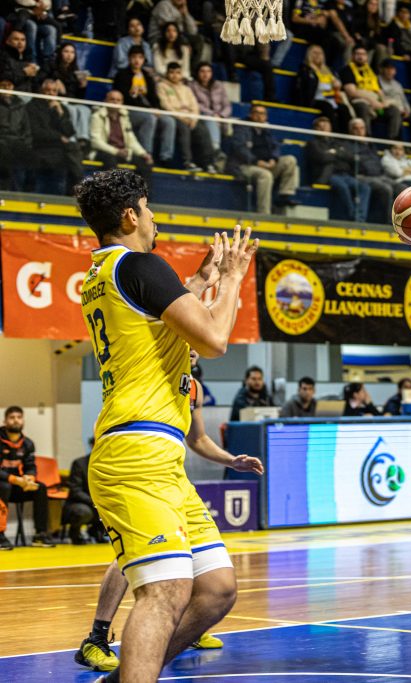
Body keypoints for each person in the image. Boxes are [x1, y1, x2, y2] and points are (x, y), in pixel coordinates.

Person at [74, 169, 257, 682]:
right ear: (129, 215)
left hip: (158, 456)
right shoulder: (141, 265)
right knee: (167, 590)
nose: (154, 218)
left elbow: (157, 313)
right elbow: (214, 340)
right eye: (148, 208)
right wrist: (233, 277)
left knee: (216, 589)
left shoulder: (105, 273)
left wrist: (200, 281)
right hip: (136, 451)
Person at [74, 357, 265, 673]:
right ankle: (97, 637)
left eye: (195, 350)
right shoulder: (145, 369)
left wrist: (231, 461)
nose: (193, 351)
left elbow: (198, 439)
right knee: (130, 561)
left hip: (172, 476)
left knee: (211, 581)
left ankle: (188, 628)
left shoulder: (193, 389)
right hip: (133, 467)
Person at [0, 406, 58, 549]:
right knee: (4, 487)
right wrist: (14, 479)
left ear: (23, 420)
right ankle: (0, 535)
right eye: (12, 418)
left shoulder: (28, 443)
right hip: (3, 485)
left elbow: (30, 466)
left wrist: (30, 478)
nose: (16, 420)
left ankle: (40, 534)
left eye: (19, 417)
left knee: (40, 488)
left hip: (17, 486)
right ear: (5, 421)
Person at [226, 104, 300, 215]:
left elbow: (276, 146)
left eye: (263, 114)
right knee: (266, 175)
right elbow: (239, 148)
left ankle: (284, 196)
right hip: (245, 165)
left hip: (266, 164)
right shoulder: (242, 127)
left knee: (290, 160)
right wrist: (256, 161)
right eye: (257, 113)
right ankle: (264, 213)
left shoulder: (267, 130)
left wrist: (274, 159)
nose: (260, 116)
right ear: (251, 115)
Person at [113, 45, 175, 162]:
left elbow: (154, 96)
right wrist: (148, 109)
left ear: (143, 59)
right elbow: (124, 98)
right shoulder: (121, 75)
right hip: (129, 111)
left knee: (169, 121)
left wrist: (156, 108)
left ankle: (166, 157)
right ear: (129, 58)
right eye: (134, 57)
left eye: (140, 57)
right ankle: (146, 153)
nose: (137, 60)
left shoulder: (147, 76)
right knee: (149, 118)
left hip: (148, 110)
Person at [307, 116, 370, 222]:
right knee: (342, 187)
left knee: (364, 187)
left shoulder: (337, 142)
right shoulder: (313, 144)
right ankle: (352, 215)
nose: (324, 129)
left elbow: (349, 156)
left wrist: (333, 153)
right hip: (329, 175)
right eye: (321, 127)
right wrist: (338, 154)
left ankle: (360, 217)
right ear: (316, 129)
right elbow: (322, 158)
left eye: (326, 126)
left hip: (345, 174)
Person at [28, 77, 84, 195]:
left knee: (72, 152)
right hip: (40, 145)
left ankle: (76, 187)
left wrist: (61, 114)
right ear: (41, 91)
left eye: (54, 91)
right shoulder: (32, 106)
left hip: (59, 147)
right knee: (65, 158)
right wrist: (59, 137)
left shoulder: (61, 108)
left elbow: (69, 132)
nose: (51, 93)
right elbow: (36, 131)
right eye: (48, 90)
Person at [157, 62, 215, 172]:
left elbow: (195, 106)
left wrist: (193, 118)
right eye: (172, 72)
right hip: (174, 117)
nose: (175, 75)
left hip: (190, 118)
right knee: (184, 129)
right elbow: (165, 105)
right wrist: (182, 118)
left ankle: (208, 164)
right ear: (167, 73)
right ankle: (187, 162)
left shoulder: (186, 88)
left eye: (178, 73)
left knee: (202, 130)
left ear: (181, 74)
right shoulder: (161, 86)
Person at [90, 89, 154, 187]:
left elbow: (131, 140)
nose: (115, 102)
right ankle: (112, 192)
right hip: (104, 151)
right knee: (110, 161)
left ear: (122, 102)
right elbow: (95, 141)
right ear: (105, 101)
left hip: (123, 151)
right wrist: (116, 151)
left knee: (145, 163)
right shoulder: (97, 116)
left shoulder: (124, 116)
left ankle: (142, 194)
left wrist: (143, 153)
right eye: (112, 99)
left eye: (118, 100)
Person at [339, 46, 401, 140]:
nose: (360, 57)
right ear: (352, 56)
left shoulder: (371, 71)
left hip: (375, 103)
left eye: (363, 54)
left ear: (367, 57)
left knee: (394, 110)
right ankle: (367, 139)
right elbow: (351, 92)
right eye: (358, 54)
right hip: (358, 101)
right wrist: (371, 101)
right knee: (363, 107)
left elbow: (379, 91)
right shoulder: (347, 70)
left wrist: (383, 103)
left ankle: (392, 140)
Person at [64, 442, 103, 545]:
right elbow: (75, 490)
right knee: (83, 512)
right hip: (79, 503)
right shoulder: (79, 463)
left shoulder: (108, 464)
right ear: (92, 445)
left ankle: (97, 531)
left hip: (99, 503)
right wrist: (94, 501)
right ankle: (74, 532)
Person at [190, 62, 231, 155]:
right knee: (211, 120)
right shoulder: (192, 85)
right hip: (203, 116)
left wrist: (221, 115)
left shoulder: (219, 85)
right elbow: (195, 104)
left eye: (208, 71)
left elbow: (227, 105)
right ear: (197, 73)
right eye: (202, 71)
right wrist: (213, 114)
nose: (205, 74)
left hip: (221, 117)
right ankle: (216, 149)